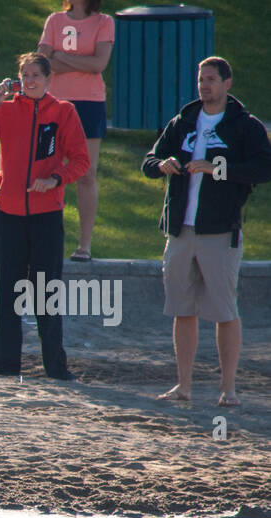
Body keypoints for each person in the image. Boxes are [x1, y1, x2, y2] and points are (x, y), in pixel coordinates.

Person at [144, 56, 271, 408]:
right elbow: (149, 160)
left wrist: (218, 168)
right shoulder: (183, 120)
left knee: (224, 311)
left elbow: (263, 169)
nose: (204, 86)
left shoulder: (245, 126)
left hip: (220, 233)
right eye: (201, 80)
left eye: (211, 79)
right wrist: (162, 164)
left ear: (227, 83)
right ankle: (183, 386)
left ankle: (228, 389)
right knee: (182, 309)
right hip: (180, 232)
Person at [0, 52, 88, 380]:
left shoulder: (63, 112)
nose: (29, 80)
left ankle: (56, 369)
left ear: (48, 79)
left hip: (46, 215)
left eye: (35, 75)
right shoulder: (6, 109)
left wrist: (55, 179)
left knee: (46, 294)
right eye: (24, 74)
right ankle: (5, 368)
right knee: (8, 292)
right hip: (7, 214)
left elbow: (80, 160)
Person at [38, 0, 115, 262]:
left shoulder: (104, 22)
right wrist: (79, 62)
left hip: (89, 103)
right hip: (54, 103)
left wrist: (59, 56)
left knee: (86, 173)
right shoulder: (54, 21)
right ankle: (46, 242)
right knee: (46, 168)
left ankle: (84, 245)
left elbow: (99, 64)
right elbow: (42, 63)